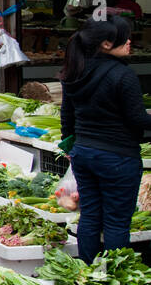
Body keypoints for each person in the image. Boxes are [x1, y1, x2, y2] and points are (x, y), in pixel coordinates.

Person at [59, 17, 151, 261]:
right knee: (117, 223)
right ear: (107, 44)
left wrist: (69, 143)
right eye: (125, 37)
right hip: (118, 157)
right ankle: (113, 278)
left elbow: (66, 114)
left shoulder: (76, 71)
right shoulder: (123, 75)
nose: (130, 41)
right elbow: (138, 120)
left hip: (84, 154)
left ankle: (88, 272)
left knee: (90, 215)